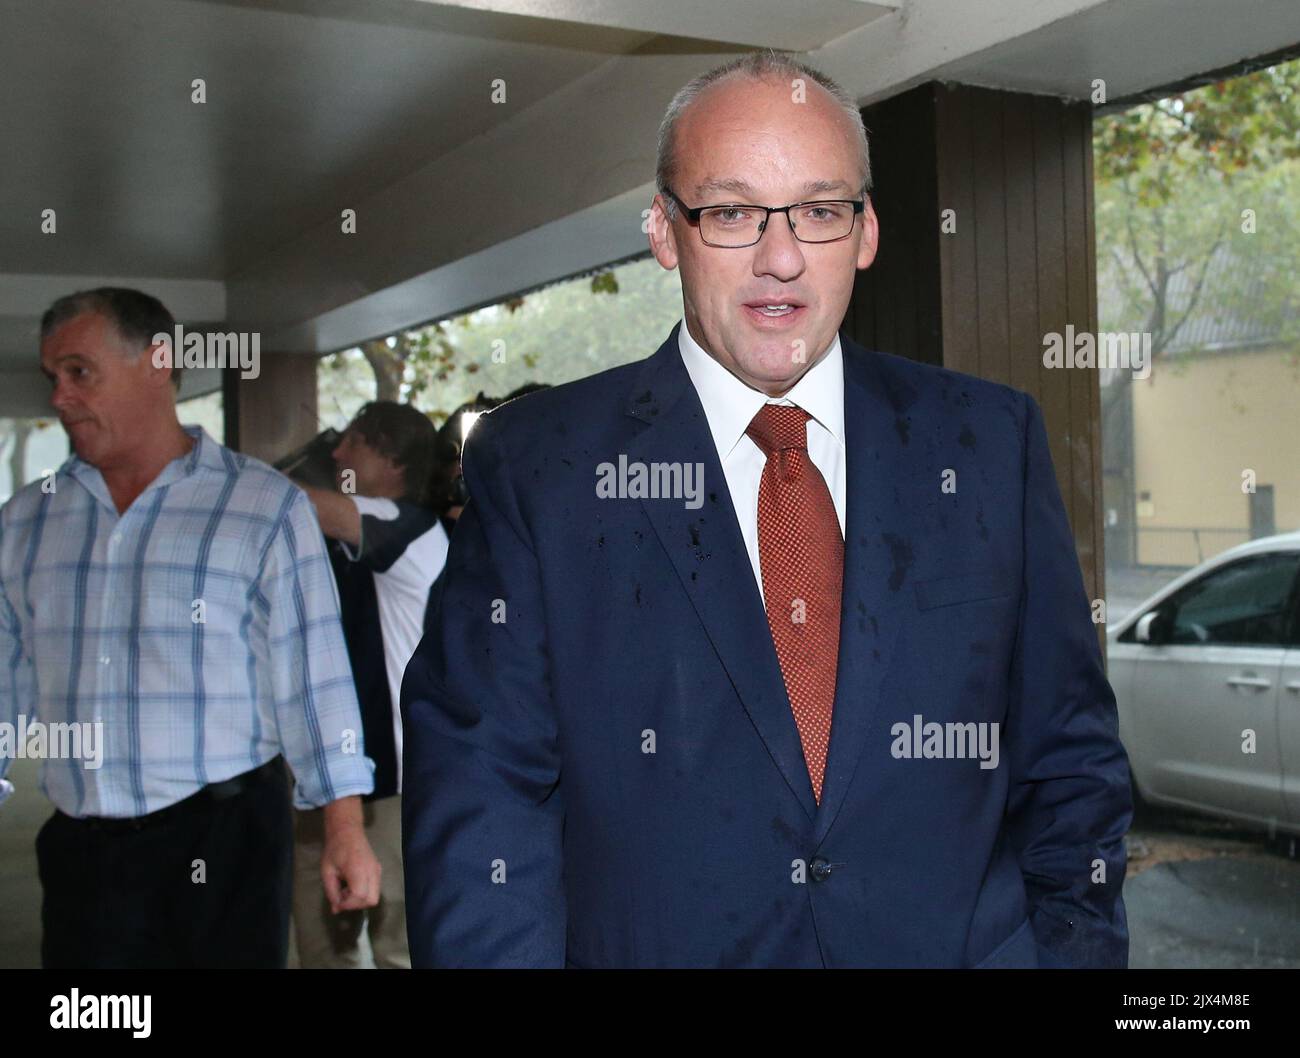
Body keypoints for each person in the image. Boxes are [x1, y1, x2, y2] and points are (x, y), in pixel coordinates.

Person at [401, 52, 1132, 968]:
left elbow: (1070, 760)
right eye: (732, 212)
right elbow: (481, 804)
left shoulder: (989, 441)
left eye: (821, 212)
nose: (780, 258)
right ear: (665, 231)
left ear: (866, 232)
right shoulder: (540, 465)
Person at [0, 287, 380, 969]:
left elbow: (313, 672)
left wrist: (344, 828)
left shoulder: (261, 505)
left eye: (79, 372)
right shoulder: (26, 522)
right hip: (82, 855)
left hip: (226, 842)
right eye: (51, 376)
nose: (59, 397)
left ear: (158, 363)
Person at [293, 401, 448, 968]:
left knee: (398, 951)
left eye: (351, 442)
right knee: (324, 952)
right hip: (327, 778)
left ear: (391, 460)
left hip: (397, 784)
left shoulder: (411, 531)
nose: (336, 453)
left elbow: (298, 504)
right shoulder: (352, 540)